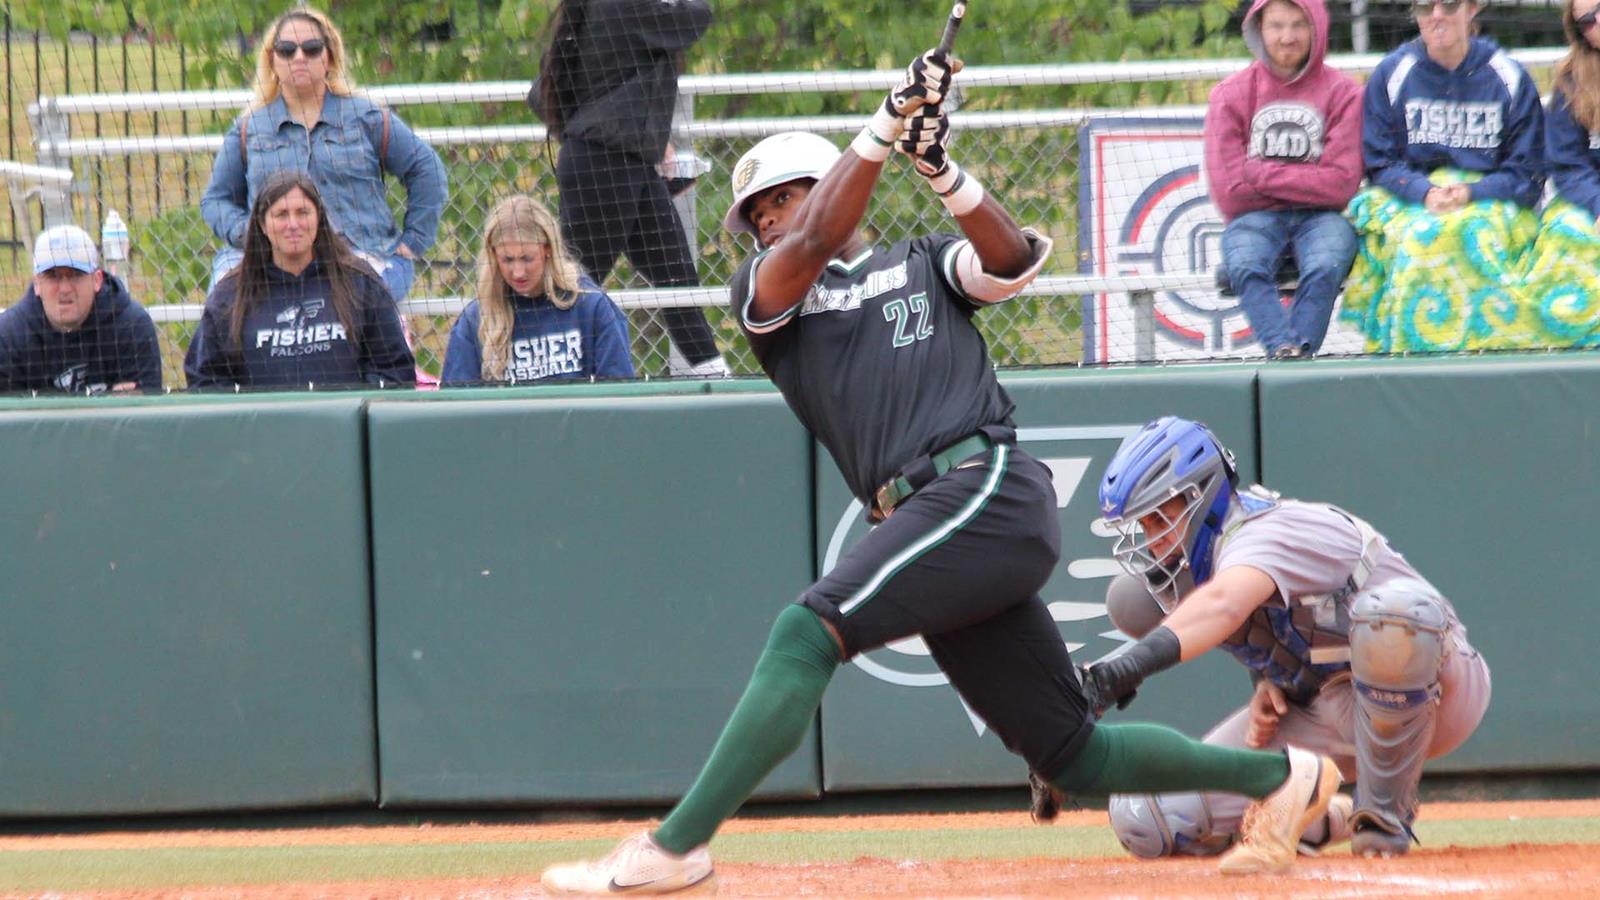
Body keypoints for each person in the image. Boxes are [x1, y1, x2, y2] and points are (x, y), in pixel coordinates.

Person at [539, 50, 1343, 895]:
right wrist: (888, 121)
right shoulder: (767, 295)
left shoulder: (920, 262)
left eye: (785, 196)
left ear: (833, 184)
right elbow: (814, 238)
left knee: (806, 630)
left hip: (983, 485)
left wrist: (939, 167)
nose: (774, 220)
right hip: (935, 519)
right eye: (760, 212)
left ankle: (675, 847)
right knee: (1073, 752)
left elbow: (1011, 262)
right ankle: (1285, 780)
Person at [1083, 416, 1491, 859]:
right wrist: (1272, 681)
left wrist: (1123, 670)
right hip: (1325, 707)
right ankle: (1327, 817)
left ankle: (1383, 819)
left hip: (1436, 692)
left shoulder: (1265, 531)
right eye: (1143, 526)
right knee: (1147, 818)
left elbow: (1224, 604)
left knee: (1392, 618)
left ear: (1199, 497)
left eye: (1159, 518)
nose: (1152, 539)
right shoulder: (1202, 566)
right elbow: (1273, 631)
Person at [530, 0, 731, 377]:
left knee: (677, 279)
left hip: (624, 161)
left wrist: (645, 140)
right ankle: (543, 376)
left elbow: (542, 95)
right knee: (574, 285)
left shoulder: (601, 10)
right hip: (605, 163)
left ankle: (716, 378)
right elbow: (695, 16)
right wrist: (616, 135)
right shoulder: (624, 5)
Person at [200, 7, 447, 302]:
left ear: (329, 57)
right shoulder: (249, 128)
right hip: (268, 259)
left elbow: (427, 168)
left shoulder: (367, 117)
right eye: (287, 50)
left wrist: (413, 241)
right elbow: (216, 200)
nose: (299, 57)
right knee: (225, 308)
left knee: (347, 315)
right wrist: (250, 235)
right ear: (272, 60)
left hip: (362, 253)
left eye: (312, 48)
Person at [1342, 0, 1545, 353]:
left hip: (1489, 197)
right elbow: (1379, 164)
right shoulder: (1392, 73)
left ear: (1473, 9)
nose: (1437, 14)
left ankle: (1493, 354)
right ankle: (1409, 361)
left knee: (1471, 234)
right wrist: (1423, 192)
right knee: (1421, 237)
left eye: (1449, 4)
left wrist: (1472, 192)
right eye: (1424, 6)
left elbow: (1527, 175)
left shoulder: (1509, 76)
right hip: (1411, 196)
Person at [1204, 0, 1362, 360]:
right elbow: (1230, 195)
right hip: (1253, 220)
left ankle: (1296, 355)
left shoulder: (1345, 94)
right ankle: (1285, 350)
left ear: (1316, 29)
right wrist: (1309, 179)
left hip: (1322, 219)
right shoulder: (1230, 94)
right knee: (1243, 263)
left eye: (1298, 25)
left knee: (1327, 263)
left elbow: (1340, 185)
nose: (1287, 37)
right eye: (1277, 26)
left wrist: (1258, 172)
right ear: (1259, 29)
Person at [185, 171, 416, 390]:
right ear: (263, 225)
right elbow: (206, 380)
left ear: (319, 219)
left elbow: (394, 369)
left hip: (341, 429)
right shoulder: (230, 295)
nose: (293, 224)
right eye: (281, 214)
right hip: (260, 430)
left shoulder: (360, 282)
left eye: (302, 212)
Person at [441, 195, 635, 384]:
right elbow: (457, 403)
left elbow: (618, 392)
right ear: (493, 255)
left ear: (548, 249)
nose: (518, 272)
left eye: (527, 258)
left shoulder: (592, 307)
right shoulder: (476, 319)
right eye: (507, 260)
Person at [1518, 0, 1600, 347]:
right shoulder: (1571, 78)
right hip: (1590, 198)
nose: (1598, 22)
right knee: (1567, 237)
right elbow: (1567, 164)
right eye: (1587, 20)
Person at [0, 224, 162, 394]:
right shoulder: (9, 336)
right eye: (52, 276)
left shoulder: (131, 326)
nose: (65, 289)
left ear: (97, 280)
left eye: (76, 275)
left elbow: (143, 412)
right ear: (37, 284)